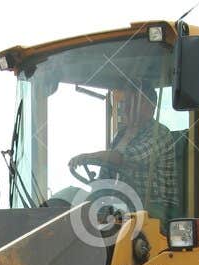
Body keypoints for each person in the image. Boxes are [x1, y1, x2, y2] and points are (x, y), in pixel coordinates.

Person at [69, 88, 184, 224]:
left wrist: (90, 156)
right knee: (72, 201)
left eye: (133, 103)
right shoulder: (121, 134)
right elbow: (107, 173)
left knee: (109, 217)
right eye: (125, 103)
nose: (126, 108)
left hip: (157, 209)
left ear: (151, 106)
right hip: (125, 204)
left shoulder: (160, 133)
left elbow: (130, 158)